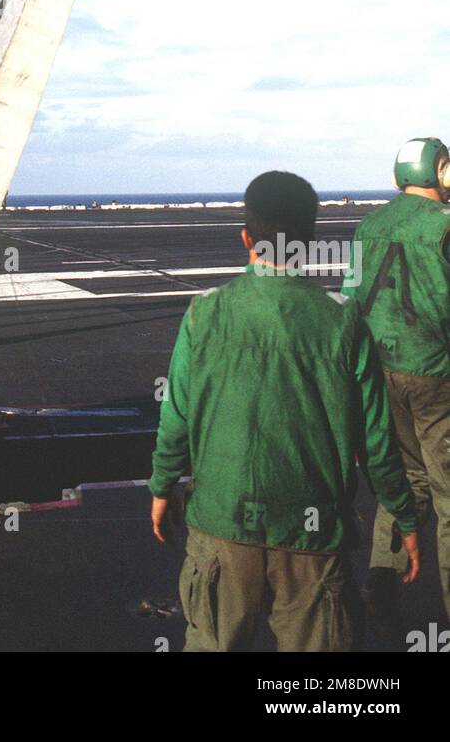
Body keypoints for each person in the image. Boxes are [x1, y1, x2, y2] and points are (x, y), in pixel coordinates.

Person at [150, 169, 418, 653]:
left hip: (221, 524)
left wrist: (161, 486)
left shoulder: (203, 312)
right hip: (312, 539)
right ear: (309, 242)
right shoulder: (343, 321)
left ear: (246, 237)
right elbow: (377, 441)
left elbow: (177, 417)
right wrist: (405, 515)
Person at [342, 137, 450, 634]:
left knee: (403, 482)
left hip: (382, 373)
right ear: (441, 173)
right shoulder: (446, 226)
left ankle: (380, 585)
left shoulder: (369, 225)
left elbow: (348, 302)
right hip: (437, 376)